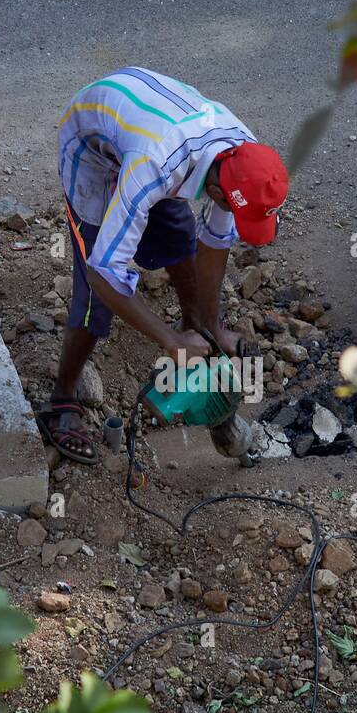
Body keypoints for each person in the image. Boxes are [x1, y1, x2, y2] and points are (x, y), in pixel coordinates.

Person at [42, 67, 288, 463]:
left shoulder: (246, 160)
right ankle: (63, 401)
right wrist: (169, 342)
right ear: (214, 190)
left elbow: (215, 239)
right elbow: (105, 270)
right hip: (90, 148)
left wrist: (213, 326)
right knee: (96, 297)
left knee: (178, 234)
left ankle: (197, 329)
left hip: (153, 136)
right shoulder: (155, 166)